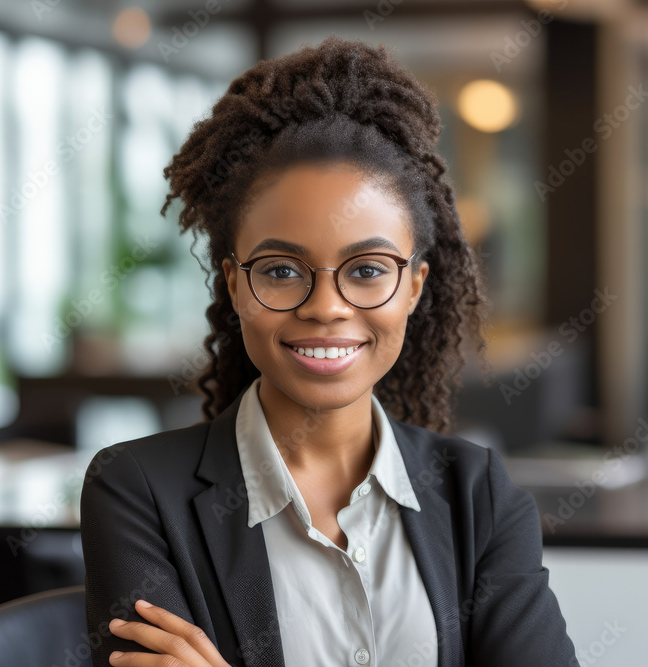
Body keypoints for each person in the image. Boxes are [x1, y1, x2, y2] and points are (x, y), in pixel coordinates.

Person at [81, 35, 578, 667]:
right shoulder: (140, 491)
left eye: (367, 270)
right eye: (283, 271)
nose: (326, 306)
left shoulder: (477, 493)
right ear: (235, 285)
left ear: (414, 288)